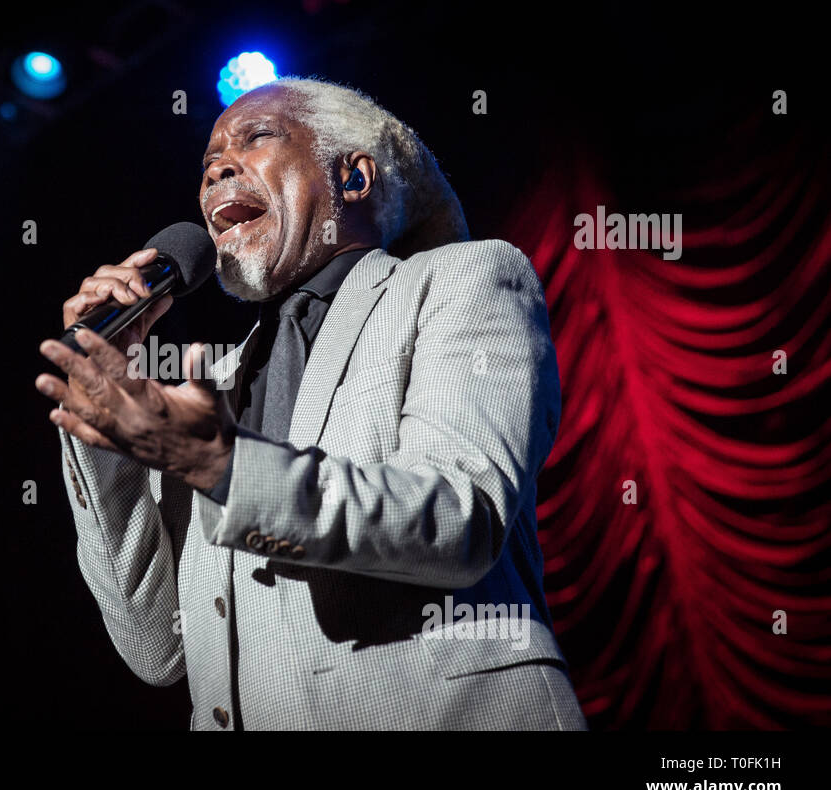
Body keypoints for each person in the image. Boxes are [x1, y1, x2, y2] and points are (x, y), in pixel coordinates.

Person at [35, 77, 586, 730]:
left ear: (353, 177)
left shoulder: (461, 279)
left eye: (255, 137)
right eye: (208, 165)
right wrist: (106, 431)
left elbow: (460, 518)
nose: (218, 170)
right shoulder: (213, 385)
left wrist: (227, 469)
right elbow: (158, 647)